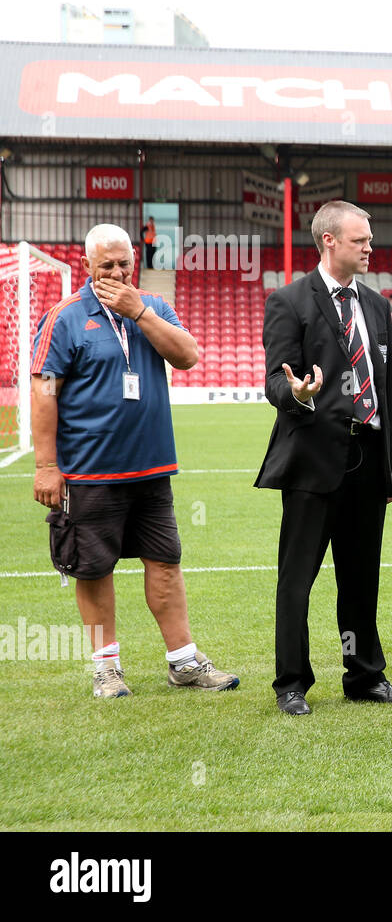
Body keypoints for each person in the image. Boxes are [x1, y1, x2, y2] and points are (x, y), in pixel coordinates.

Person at [30, 223, 238, 698]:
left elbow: (187, 356)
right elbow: (44, 393)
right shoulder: (64, 317)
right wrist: (46, 466)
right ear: (87, 266)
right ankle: (107, 668)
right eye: (108, 265)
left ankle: (183, 662)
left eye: (126, 263)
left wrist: (139, 310)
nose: (119, 272)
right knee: (94, 569)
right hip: (89, 472)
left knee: (166, 562)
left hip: (152, 469)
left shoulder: (154, 306)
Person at [255, 200, 392, 715]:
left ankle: (365, 675)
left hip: (368, 458)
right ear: (329, 241)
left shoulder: (376, 305)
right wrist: (300, 392)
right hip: (312, 460)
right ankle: (291, 683)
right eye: (359, 239)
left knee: (361, 576)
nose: (369, 247)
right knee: (297, 578)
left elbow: (386, 389)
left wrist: (391, 460)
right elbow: (275, 382)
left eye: (369, 239)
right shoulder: (289, 301)